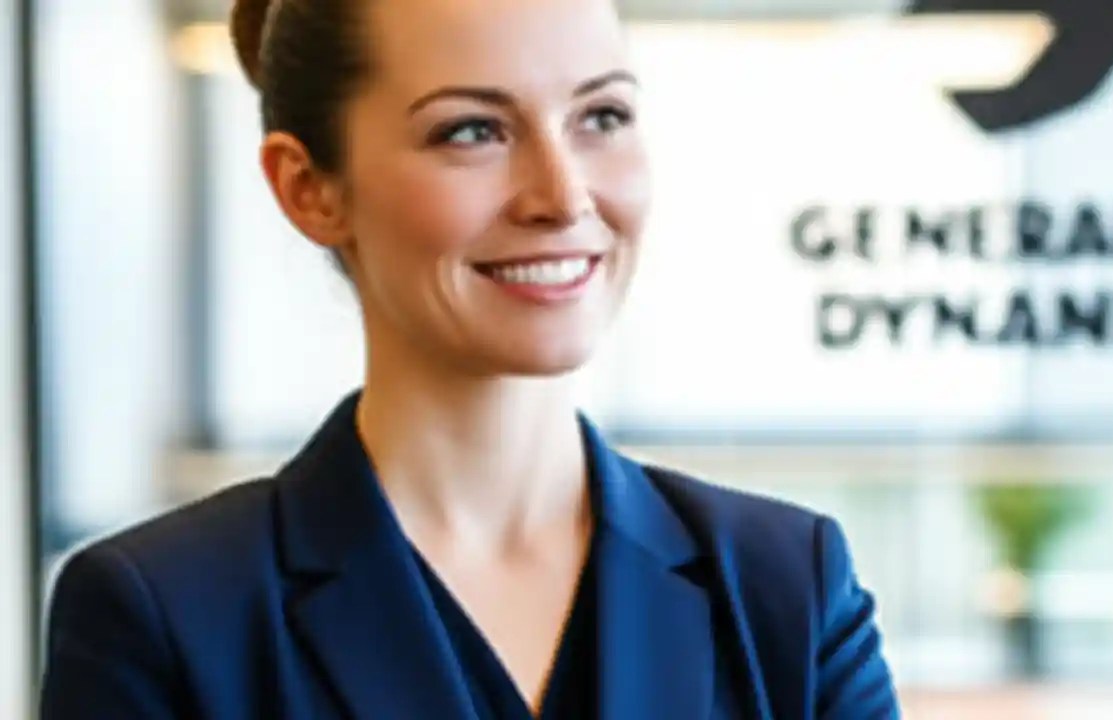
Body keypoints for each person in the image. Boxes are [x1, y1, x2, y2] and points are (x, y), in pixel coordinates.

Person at [39, 0, 899, 717]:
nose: (562, 196)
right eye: (472, 131)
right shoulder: (168, 615)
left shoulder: (786, 587)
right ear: (309, 188)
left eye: (601, 117)